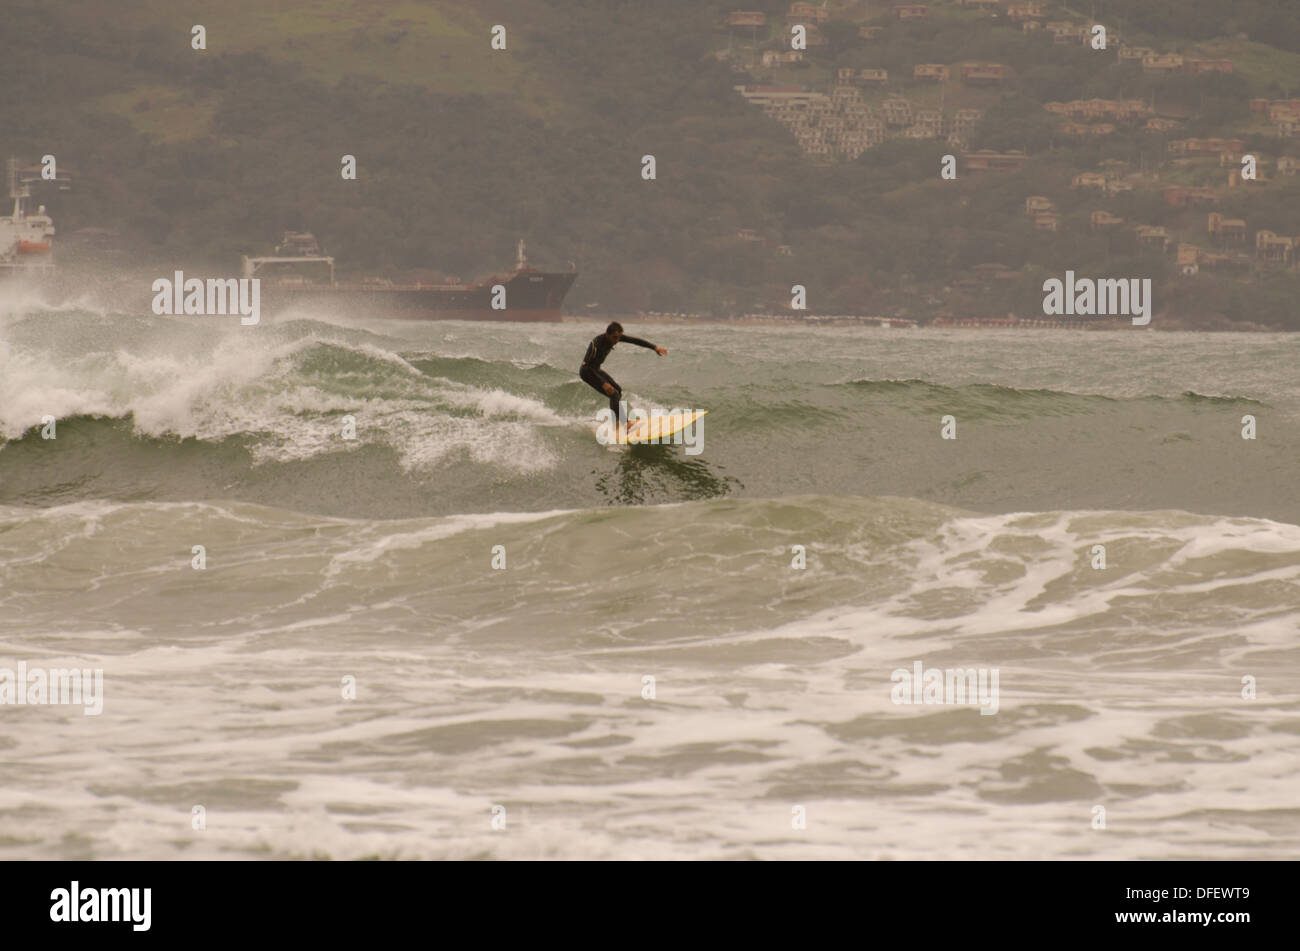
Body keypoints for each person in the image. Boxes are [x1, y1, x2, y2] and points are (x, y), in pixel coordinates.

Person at [579, 321, 667, 428]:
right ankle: (624, 423)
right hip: (587, 372)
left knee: (617, 390)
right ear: (607, 334)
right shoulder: (595, 344)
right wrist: (603, 383)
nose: (616, 341)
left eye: (618, 338)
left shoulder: (616, 337)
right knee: (613, 393)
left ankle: (616, 421)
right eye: (614, 337)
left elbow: (635, 341)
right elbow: (586, 366)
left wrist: (654, 347)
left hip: (596, 370)